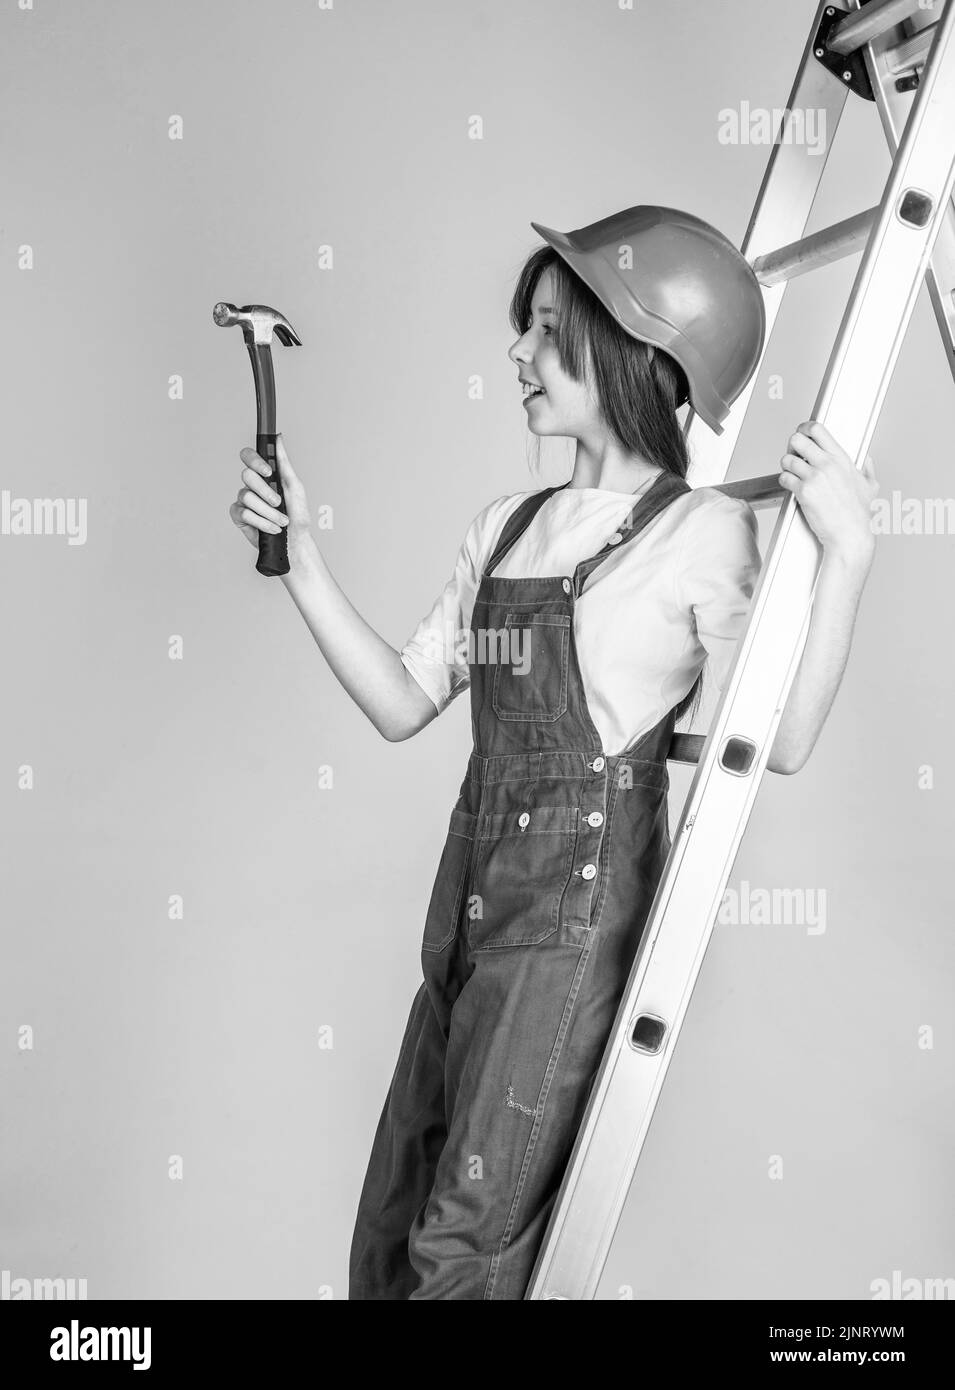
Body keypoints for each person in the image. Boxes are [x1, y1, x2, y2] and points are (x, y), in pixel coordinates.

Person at [229, 205, 879, 1301]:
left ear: (635, 349)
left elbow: (782, 741)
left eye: (543, 328)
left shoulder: (705, 534)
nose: (518, 353)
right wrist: (300, 559)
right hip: (468, 919)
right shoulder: (509, 523)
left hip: (565, 938)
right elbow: (400, 702)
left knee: (465, 1247)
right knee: (391, 1234)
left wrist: (846, 555)